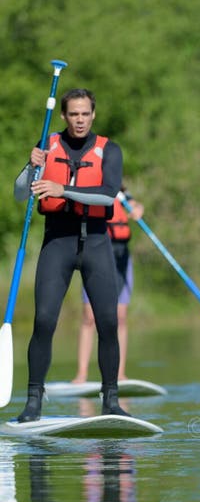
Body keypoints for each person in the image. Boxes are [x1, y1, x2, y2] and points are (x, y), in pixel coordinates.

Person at [13, 88, 129, 422]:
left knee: (107, 323)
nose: (80, 120)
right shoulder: (47, 146)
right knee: (44, 321)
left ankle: (111, 400)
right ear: (64, 116)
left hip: (96, 243)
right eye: (74, 114)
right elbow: (21, 195)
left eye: (85, 114)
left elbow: (108, 196)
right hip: (58, 242)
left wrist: (62, 189)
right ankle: (33, 401)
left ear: (93, 114)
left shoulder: (110, 150)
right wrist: (29, 166)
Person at [72, 187, 144, 384]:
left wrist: (138, 209)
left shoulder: (120, 192)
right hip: (96, 250)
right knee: (89, 316)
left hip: (121, 255)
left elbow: (134, 203)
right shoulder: (89, 186)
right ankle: (82, 374)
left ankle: (119, 374)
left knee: (120, 316)